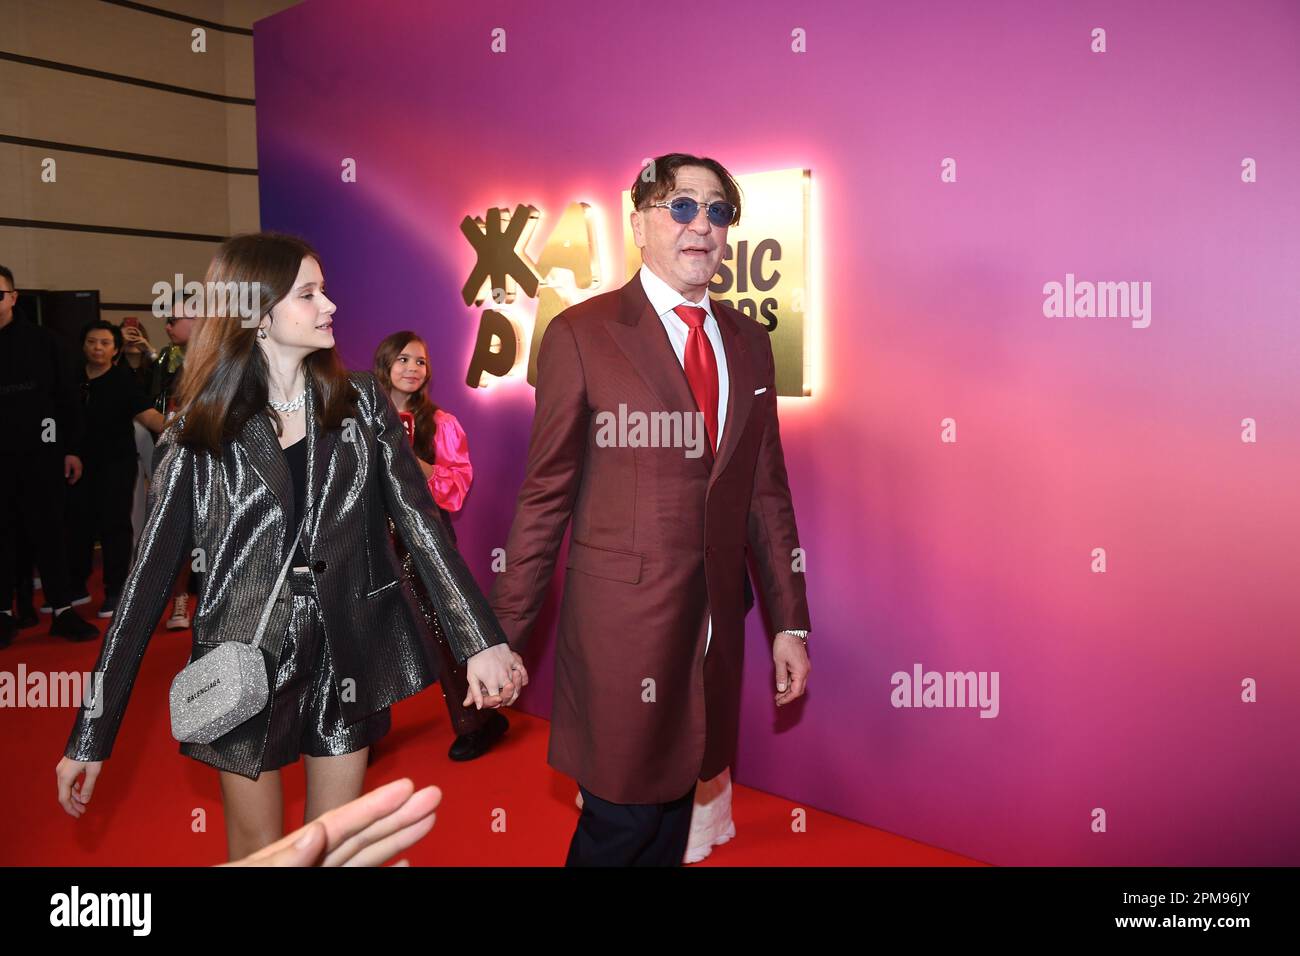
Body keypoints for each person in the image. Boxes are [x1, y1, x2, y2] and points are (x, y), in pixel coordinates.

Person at [56, 233, 526, 861]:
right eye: (308, 293)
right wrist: (91, 731)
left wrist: (480, 641)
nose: (329, 304)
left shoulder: (360, 402)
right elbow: (145, 588)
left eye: (324, 289)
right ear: (255, 312)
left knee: (331, 844)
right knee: (258, 852)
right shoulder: (199, 429)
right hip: (240, 654)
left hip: (346, 647)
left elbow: (421, 525)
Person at [491, 153, 813, 866]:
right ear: (640, 222)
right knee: (622, 826)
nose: (703, 225)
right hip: (621, 633)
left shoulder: (749, 342)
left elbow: (766, 494)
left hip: (712, 633)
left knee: (673, 821)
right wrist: (503, 633)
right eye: (682, 206)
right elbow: (545, 495)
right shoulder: (582, 334)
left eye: (718, 211)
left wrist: (789, 621)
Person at [373, 331, 508, 761]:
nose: (413, 368)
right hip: (371, 539)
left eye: (421, 362)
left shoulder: (441, 423)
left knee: (444, 630)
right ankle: (362, 736)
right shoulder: (360, 419)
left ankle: (480, 720)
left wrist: (417, 462)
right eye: (404, 360)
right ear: (385, 364)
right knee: (363, 636)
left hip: (422, 543)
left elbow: (456, 489)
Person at [0, 264, 98, 647]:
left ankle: (62, 611)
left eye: (0, 293)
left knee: (52, 534)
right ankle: (4, 613)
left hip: (42, 459)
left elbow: (68, 400)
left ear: (13, 297)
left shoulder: (47, 343)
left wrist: (72, 448)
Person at [63, 321, 166, 619]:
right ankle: (76, 585)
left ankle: (116, 590)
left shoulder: (122, 380)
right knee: (78, 524)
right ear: (83, 345)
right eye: (92, 342)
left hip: (116, 464)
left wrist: (181, 426)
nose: (97, 348)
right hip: (78, 465)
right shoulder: (71, 378)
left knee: (115, 526)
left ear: (116, 350)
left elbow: (149, 416)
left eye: (105, 343)